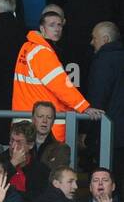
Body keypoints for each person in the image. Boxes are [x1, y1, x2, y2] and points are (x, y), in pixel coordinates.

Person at [12, 9, 102, 140]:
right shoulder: (43, 52)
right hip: (46, 123)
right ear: (42, 28)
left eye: (59, 25)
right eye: (52, 25)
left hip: (26, 117)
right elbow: (60, 85)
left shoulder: (27, 47)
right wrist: (84, 107)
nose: (57, 29)